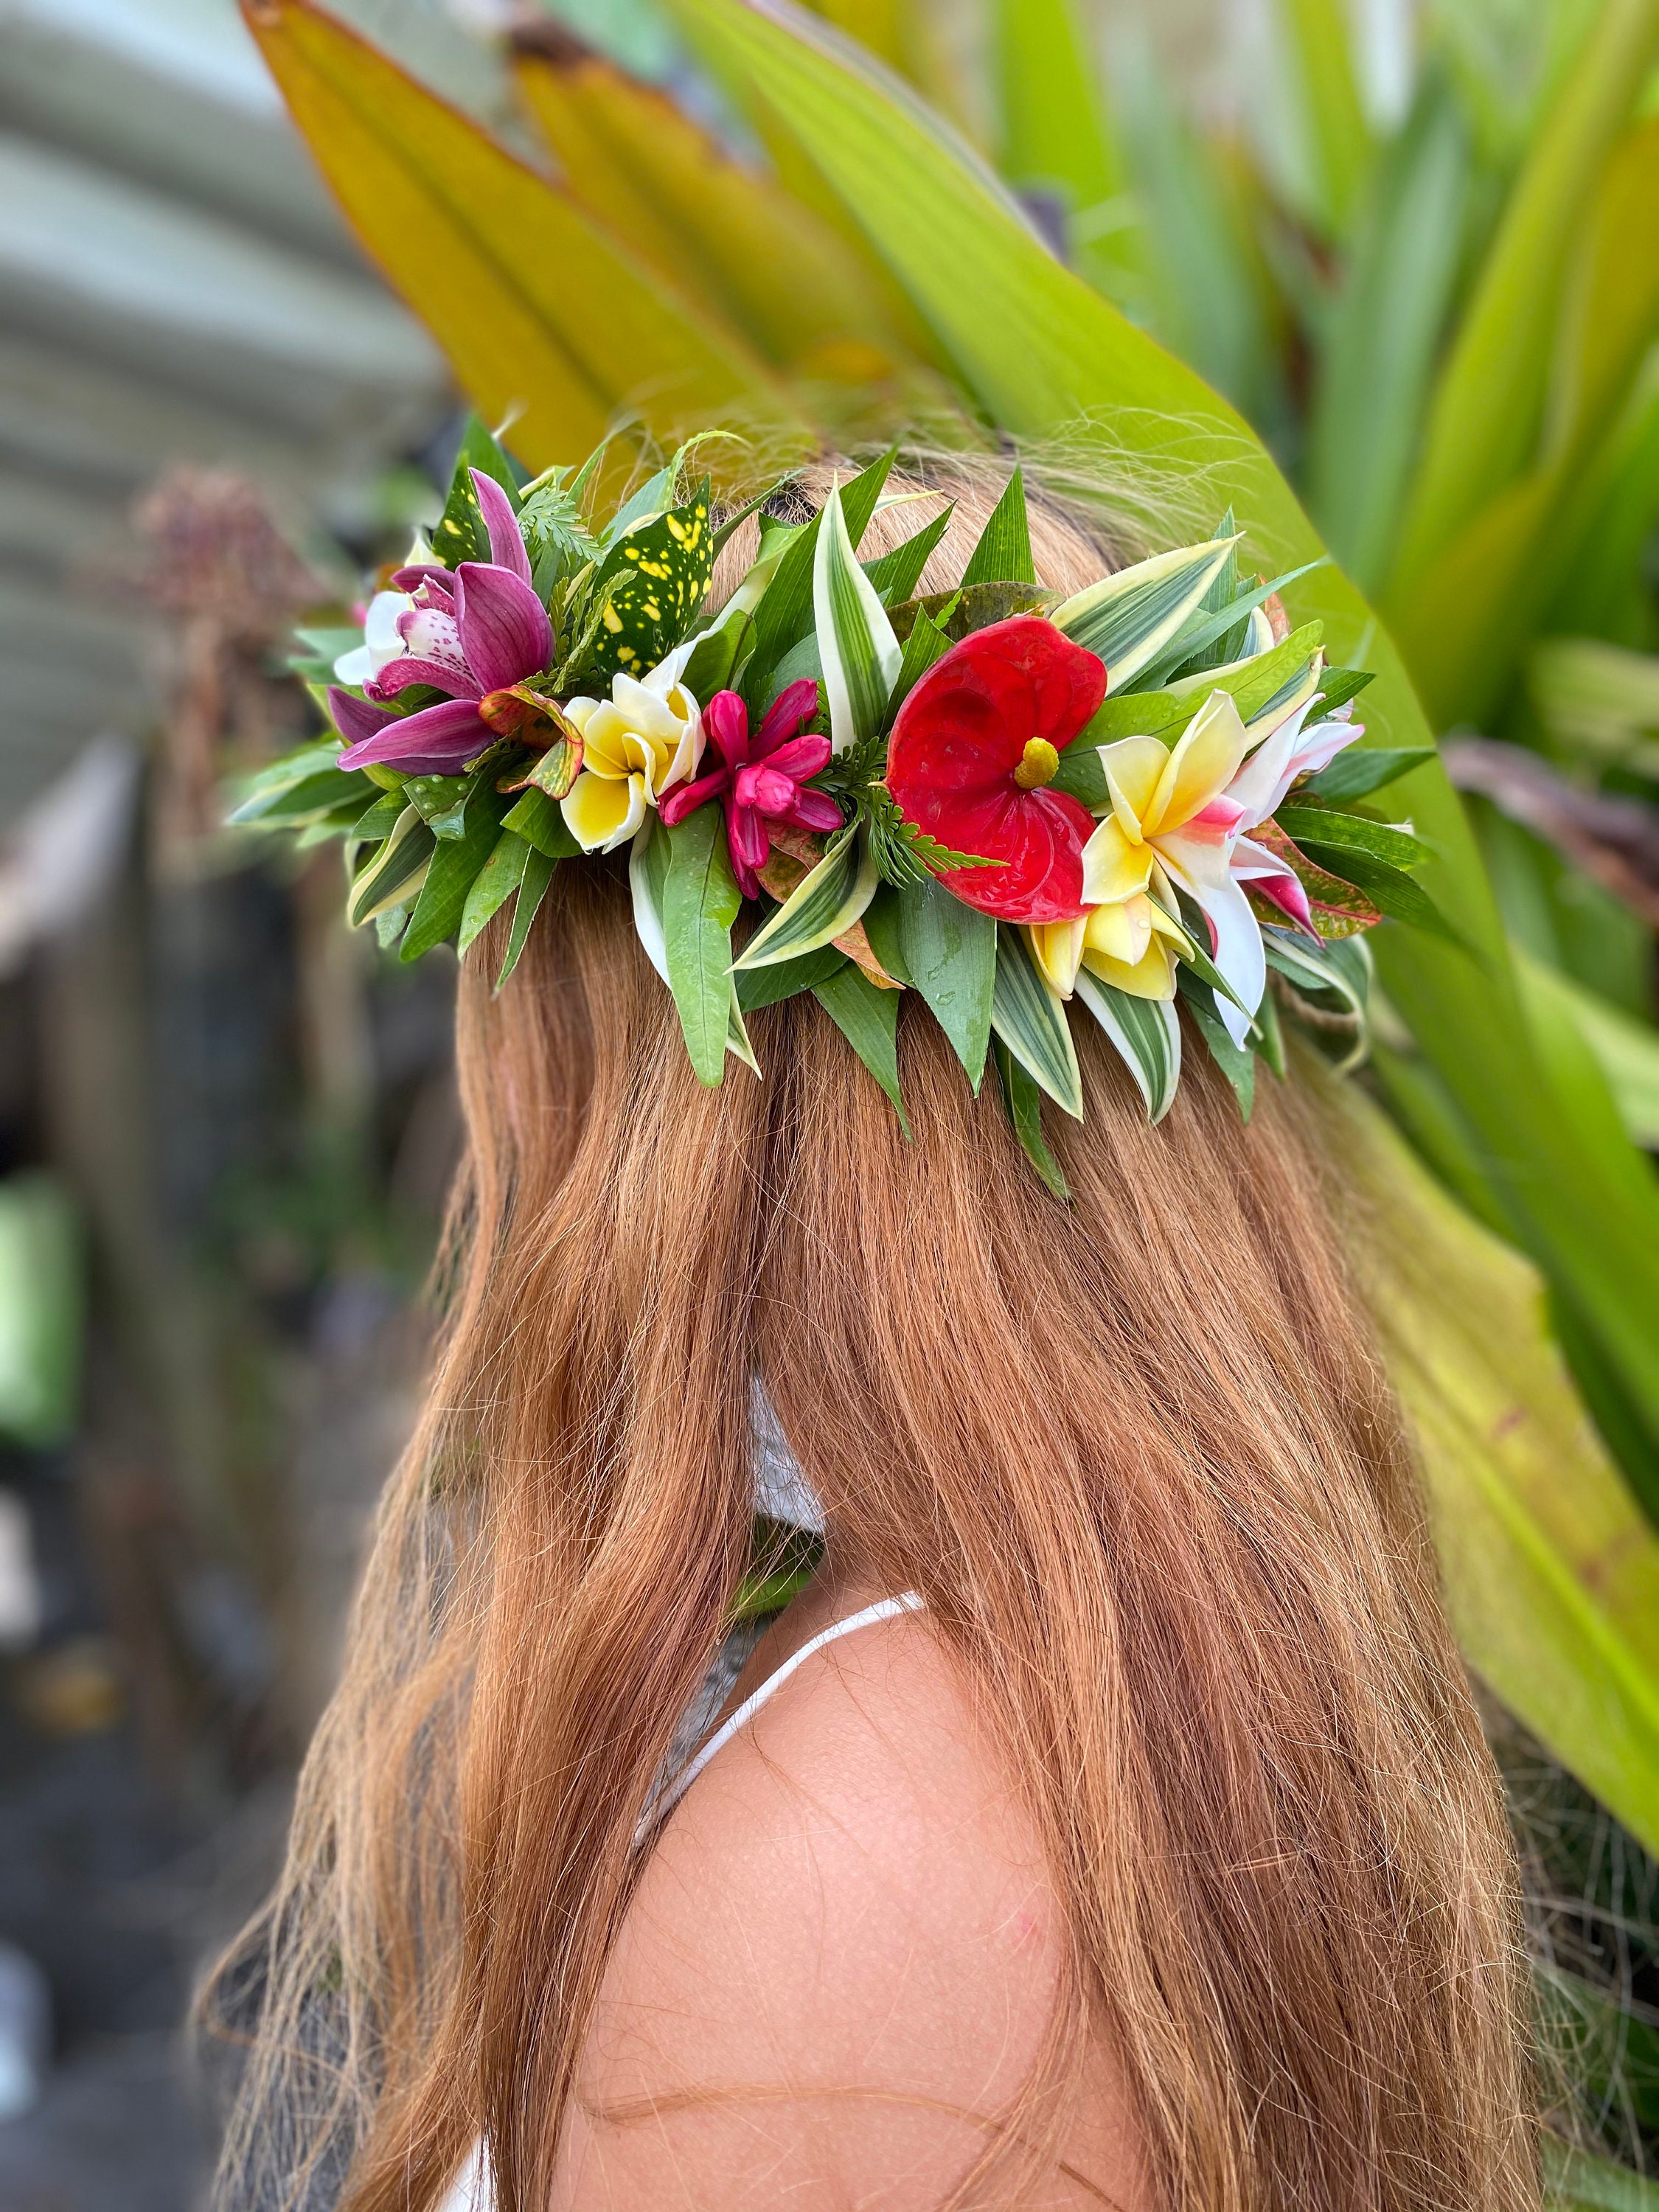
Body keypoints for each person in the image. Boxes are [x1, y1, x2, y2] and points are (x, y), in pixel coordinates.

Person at [205, 455, 1538, 2212]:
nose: (505, 1171)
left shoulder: (856, 1859)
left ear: (702, 1107)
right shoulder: (1148, 1647)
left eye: (561, 1067)